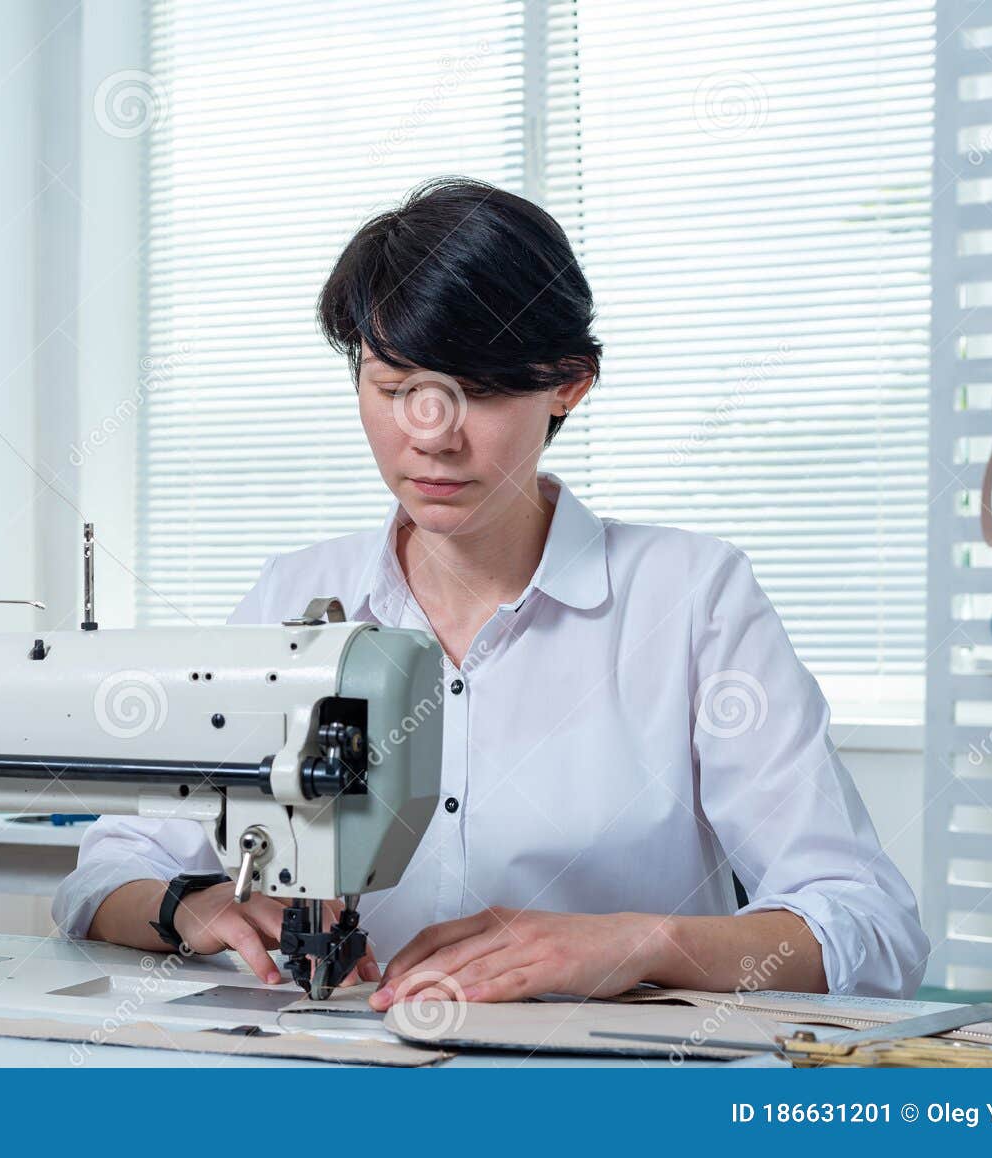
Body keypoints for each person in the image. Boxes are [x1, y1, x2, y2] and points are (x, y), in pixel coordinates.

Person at [52, 177, 928, 1005]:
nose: (429, 438)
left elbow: (869, 927)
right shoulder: (299, 594)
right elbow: (106, 870)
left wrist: (631, 944)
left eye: (475, 394)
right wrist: (187, 907)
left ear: (569, 384)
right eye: (395, 390)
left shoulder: (690, 600)